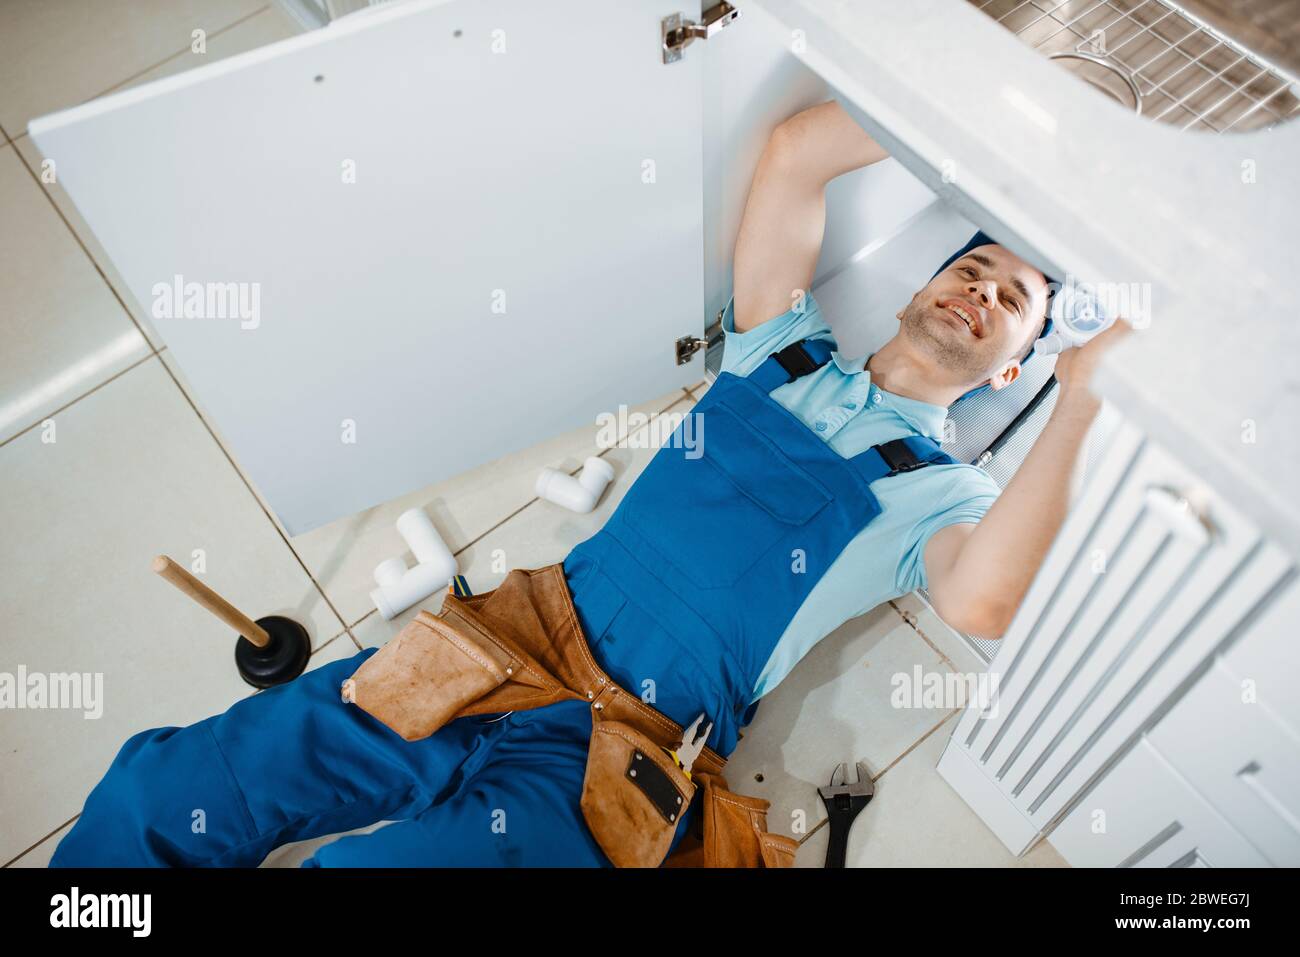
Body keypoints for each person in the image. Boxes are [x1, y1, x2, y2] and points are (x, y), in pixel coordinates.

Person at [51, 100, 1131, 868]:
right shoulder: (780, 349)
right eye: (971, 268)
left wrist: (1085, 395)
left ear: (1011, 371)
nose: (980, 291)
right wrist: (998, 114)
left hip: (625, 752)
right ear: (920, 287)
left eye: (1015, 303)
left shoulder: (941, 494)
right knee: (173, 793)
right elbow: (799, 153)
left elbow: (983, 601)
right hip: (502, 647)